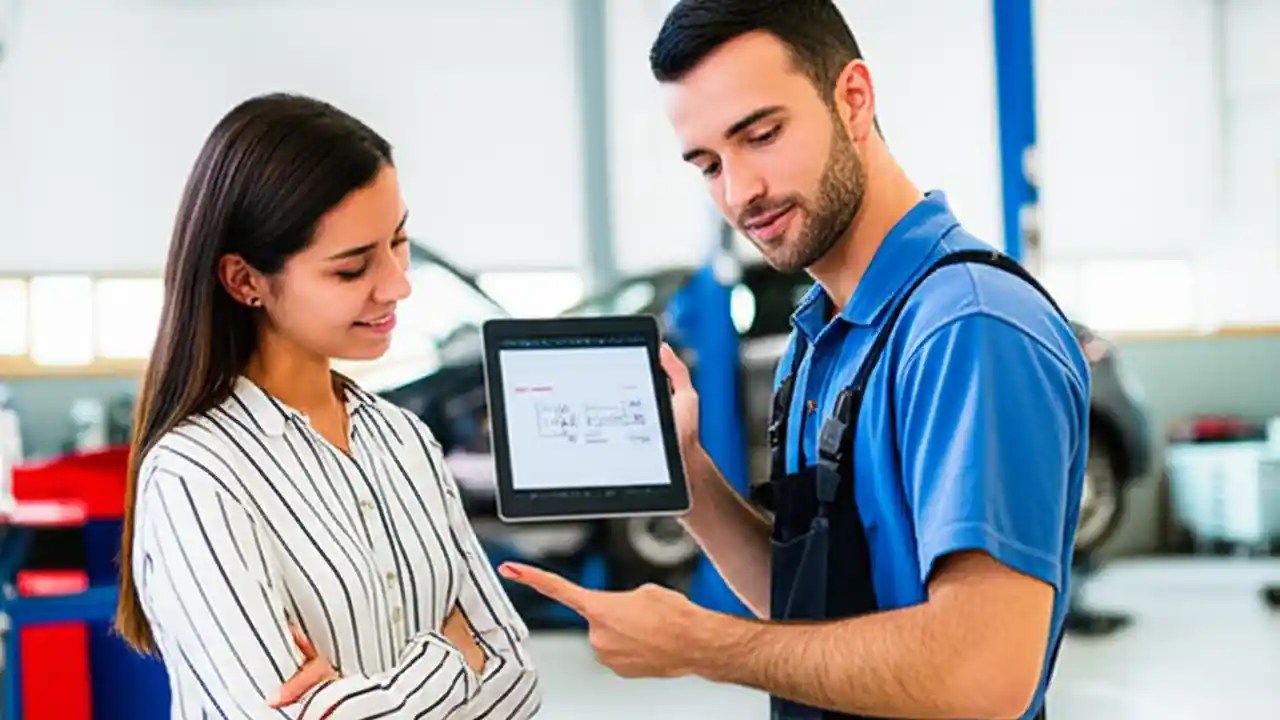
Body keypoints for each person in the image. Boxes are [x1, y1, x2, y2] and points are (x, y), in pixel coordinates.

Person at [498, 1, 1089, 719]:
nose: (739, 191)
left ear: (853, 99)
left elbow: (985, 674)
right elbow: (811, 609)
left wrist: (705, 645)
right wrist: (688, 475)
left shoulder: (967, 326)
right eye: (709, 163)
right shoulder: (817, 342)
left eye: (763, 135)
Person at [115, 93, 541, 719]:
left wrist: (349, 699)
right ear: (244, 281)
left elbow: (520, 683)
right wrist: (455, 657)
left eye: (399, 242)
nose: (398, 283)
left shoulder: (403, 441)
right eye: (350, 269)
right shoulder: (197, 477)